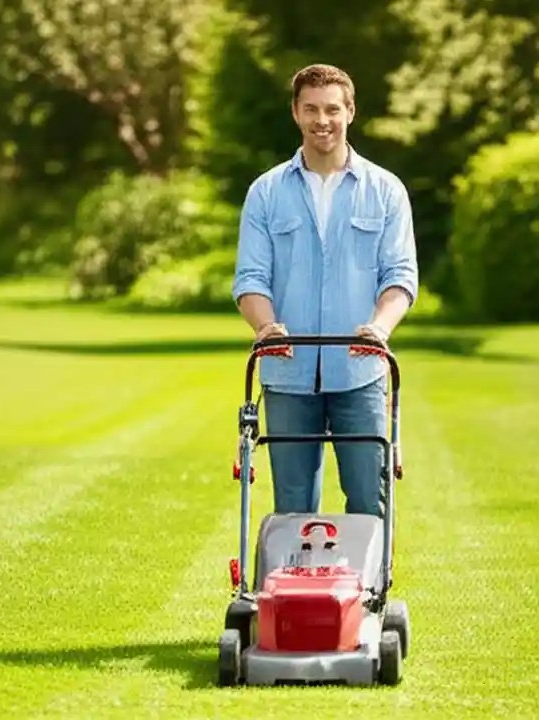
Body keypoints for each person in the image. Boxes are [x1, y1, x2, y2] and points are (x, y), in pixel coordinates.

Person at [231, 63, 419, 517]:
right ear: (295, 113)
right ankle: (296, 587)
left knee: (369, 501)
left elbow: (400, 276)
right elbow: (250, 278)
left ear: (350, 112)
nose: (322, 120)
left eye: (332, 109)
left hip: (361, 373)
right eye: (311, 109)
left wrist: (378, 328)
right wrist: (266, 326)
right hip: (287, 374)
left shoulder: (385, 190)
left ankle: (368, 589)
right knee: (293, 506)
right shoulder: (266, 192)